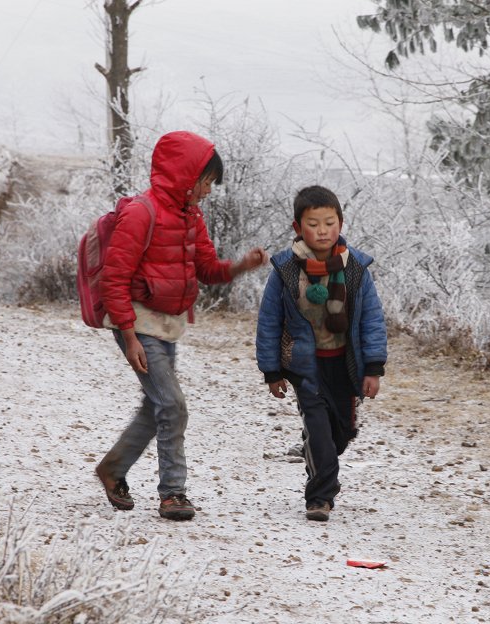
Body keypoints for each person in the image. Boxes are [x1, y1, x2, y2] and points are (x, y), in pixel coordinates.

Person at [95, 130, 267, 520]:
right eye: (205, 181)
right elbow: (114, 279)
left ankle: (112, 470)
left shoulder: (191, 217)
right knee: (172, 405)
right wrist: (128, 336)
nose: (208, 190)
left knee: (156, 407)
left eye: (211, 183)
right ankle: (173, 493)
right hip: (137, 322)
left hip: (167, 324)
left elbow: (206, 269)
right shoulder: (142, 212)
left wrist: (239, 266)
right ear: (184, 176)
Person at [256, 185, 387, 522]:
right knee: (320, 435)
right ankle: (320, 496)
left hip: (346, 366)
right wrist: (272, 370)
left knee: (340, 434)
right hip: (305, 368)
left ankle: (317, 451)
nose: (322, 230)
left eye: (329, 222)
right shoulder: (285, 270)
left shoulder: (356, 268)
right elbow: (269, 321)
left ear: (340, 223)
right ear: (297, 227)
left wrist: (373, 366)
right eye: (313, 223)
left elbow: (372, 318)